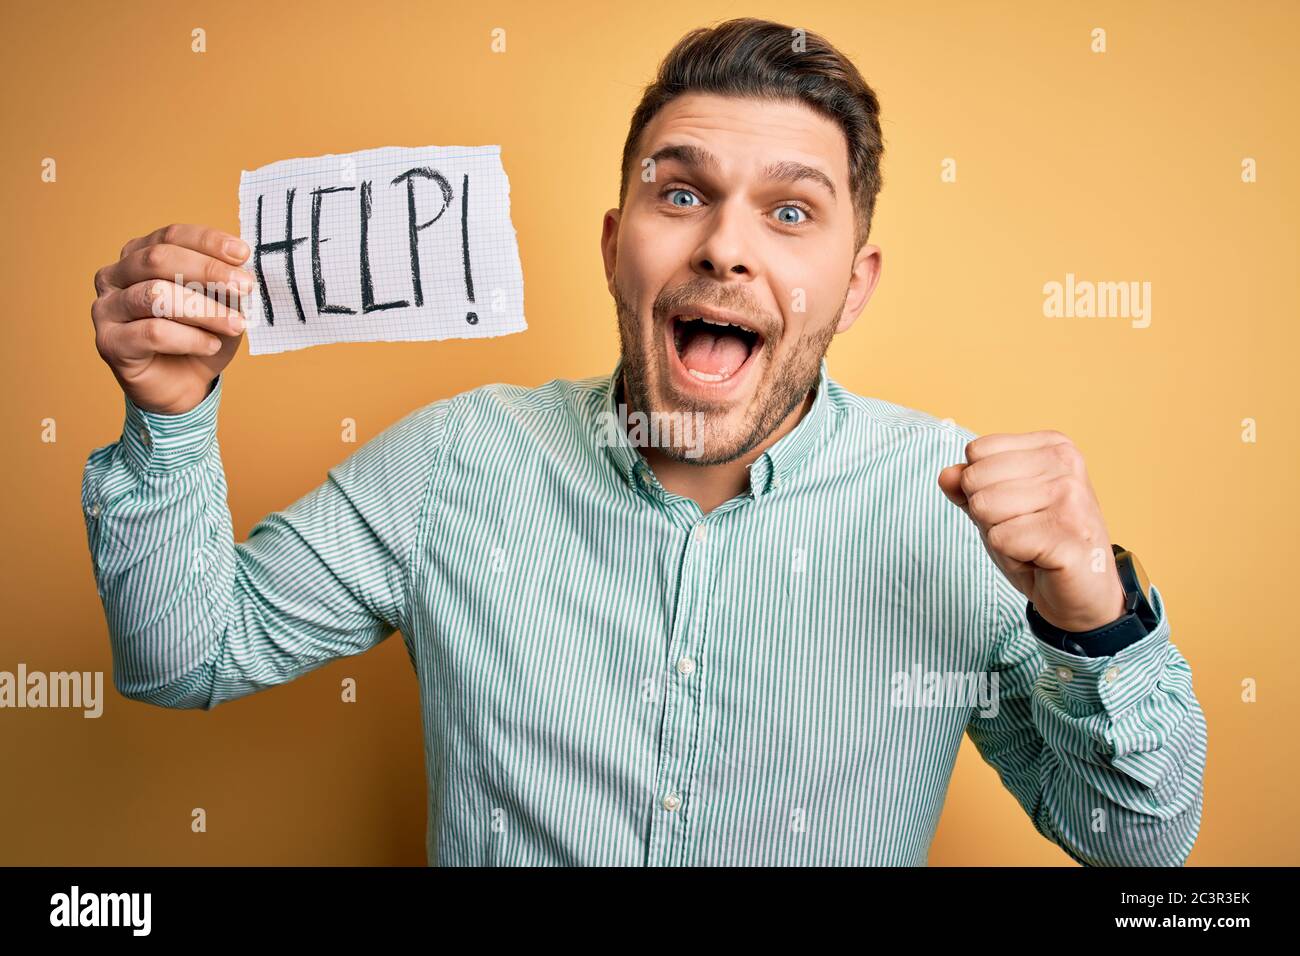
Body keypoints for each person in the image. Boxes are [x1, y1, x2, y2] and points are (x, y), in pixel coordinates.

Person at [82, 17, 1206, 866]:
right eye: (681, 195)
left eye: (791, 211)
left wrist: (1090, 611)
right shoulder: (456, 461)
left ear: (852, 286)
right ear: (620, 245)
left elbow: (1135, 844)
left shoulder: (947, 509)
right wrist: (169, 420)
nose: (724, 245)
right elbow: (185, 657)